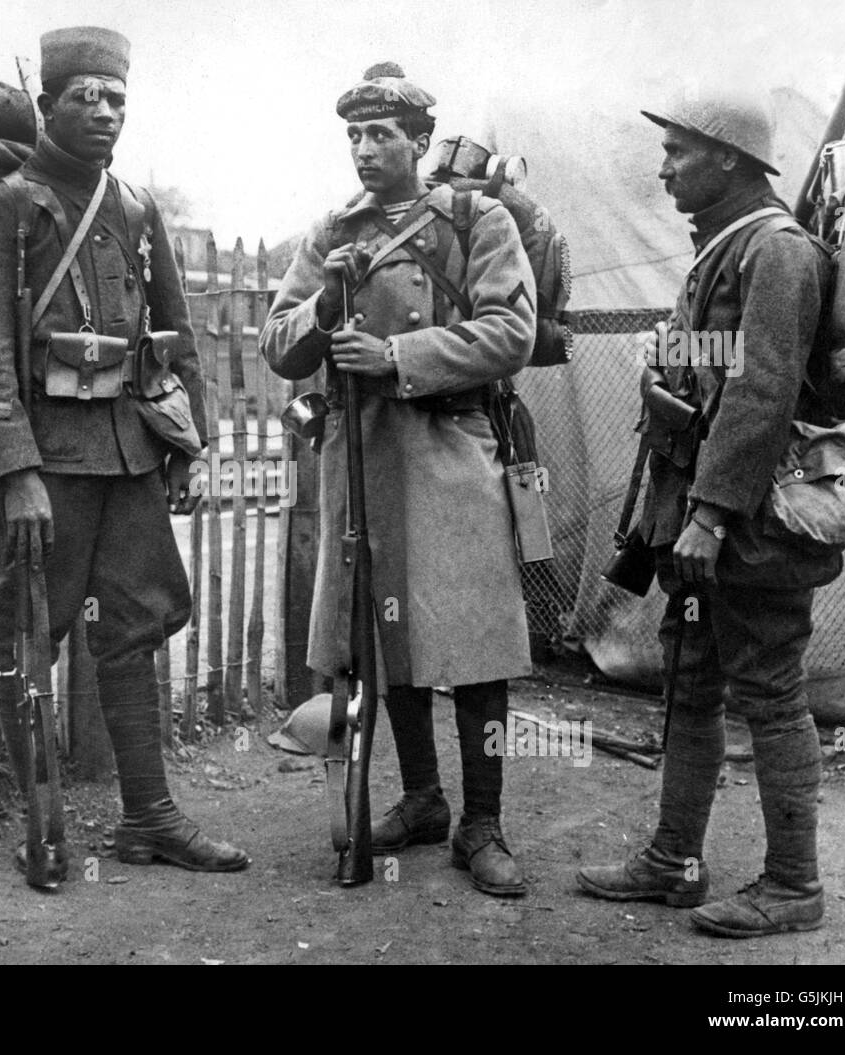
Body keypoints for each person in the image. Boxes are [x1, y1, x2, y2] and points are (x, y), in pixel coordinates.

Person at [0, 25, 249, 874]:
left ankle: (149, 818)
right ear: (48, 106)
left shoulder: (136, 209)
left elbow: (178, 335)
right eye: (87, 96)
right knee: (22, 634)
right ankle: (39, 821)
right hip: (43, 464)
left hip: (128, 456)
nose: (107, 111)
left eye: (117, 98)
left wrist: (188, 441)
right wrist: (15, 472)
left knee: (136, 624)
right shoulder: (2, 210)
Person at [261, 62, 537, 896]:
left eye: (382, 135)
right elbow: (278, 344)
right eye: (354, 134)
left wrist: (394, 356)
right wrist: (319, 311)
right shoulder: (332, 231)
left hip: (451, 444)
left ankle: (481, 821)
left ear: (420, 142)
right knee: (391, 639)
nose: (365, 149)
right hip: (364, 454)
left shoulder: (475, 219)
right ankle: (422, 802)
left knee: (476, 643)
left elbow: (511, 332)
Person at [577, 91, 833, 936]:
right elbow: (718, 368)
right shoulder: (725, 249)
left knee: (771, 691)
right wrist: (665, 363)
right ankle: (673, 857)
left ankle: (794, 883)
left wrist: (713, 516)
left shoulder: (777, 251)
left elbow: (762, 394)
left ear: (727, 158)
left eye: (679, 151)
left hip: (747, 524)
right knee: (692, 683)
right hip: (694, 512)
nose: (663, 167)